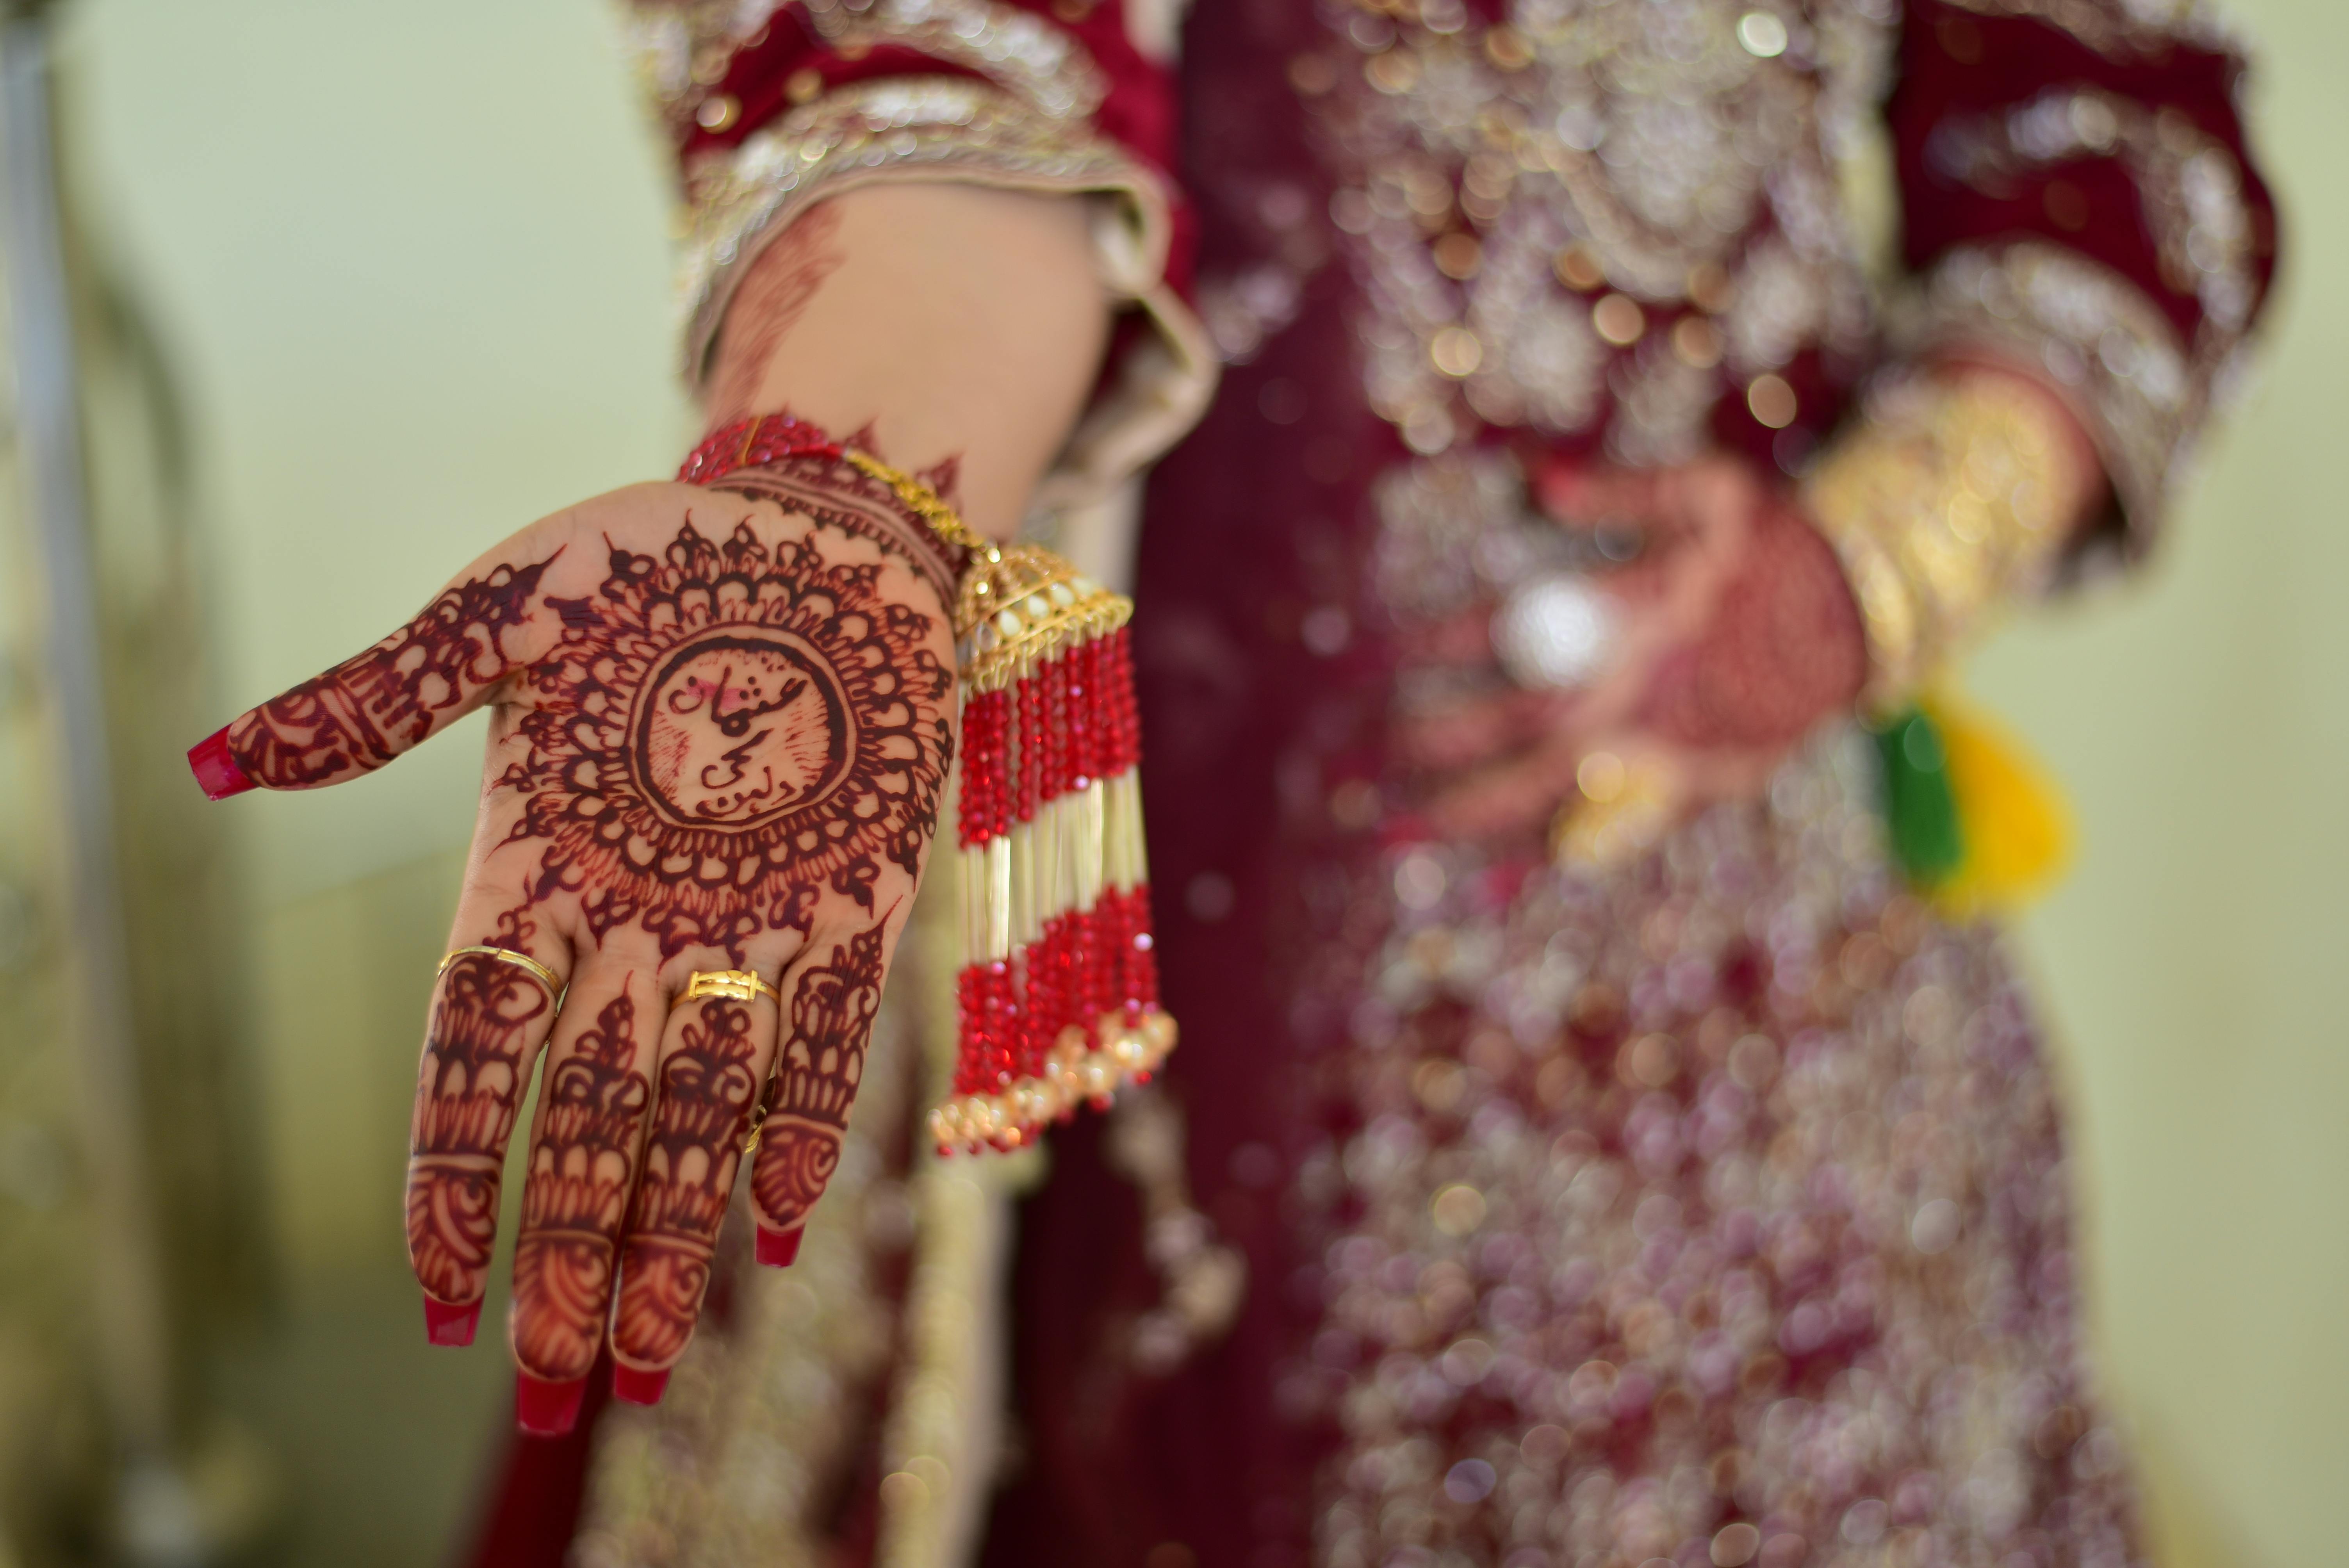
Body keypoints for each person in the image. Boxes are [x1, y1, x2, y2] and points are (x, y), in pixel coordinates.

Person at [189, 0, 2276, 1563]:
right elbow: (936, 97)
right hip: (1072, 992)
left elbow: (2112, 127)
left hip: (1745, 1067)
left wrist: (1862, 570)